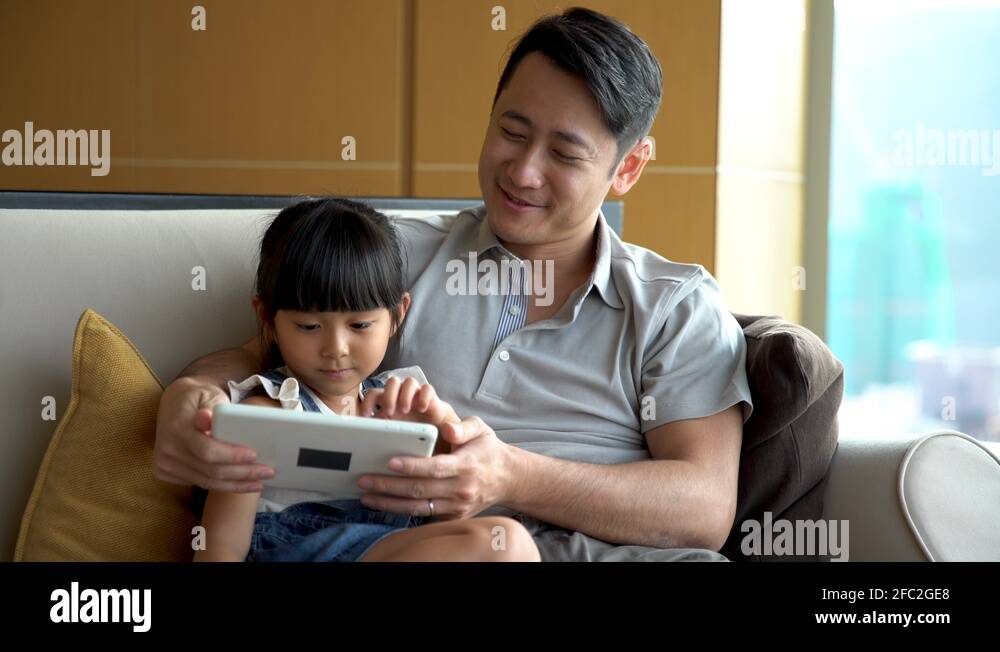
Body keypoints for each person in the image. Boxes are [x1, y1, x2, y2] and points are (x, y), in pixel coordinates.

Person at [157, 7, 754, 562]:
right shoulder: (398, 253)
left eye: (565, 155)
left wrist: (511, 476)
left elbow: (703, 507)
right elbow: (265, 353)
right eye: (512, 132)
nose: (522, 172)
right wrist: (188, 398)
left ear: (627, 167)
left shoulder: (675, 307)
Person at [193, 197, 540, 562]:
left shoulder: (404, 403)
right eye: (309, 326)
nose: (335, 348)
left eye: (359, 325)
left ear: (397, 316)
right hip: (298, 551)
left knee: (504, 539)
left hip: (385, 546)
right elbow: (221, 544)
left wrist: (440, 429)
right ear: (267, 319)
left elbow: (450, 508)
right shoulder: (264, 411)